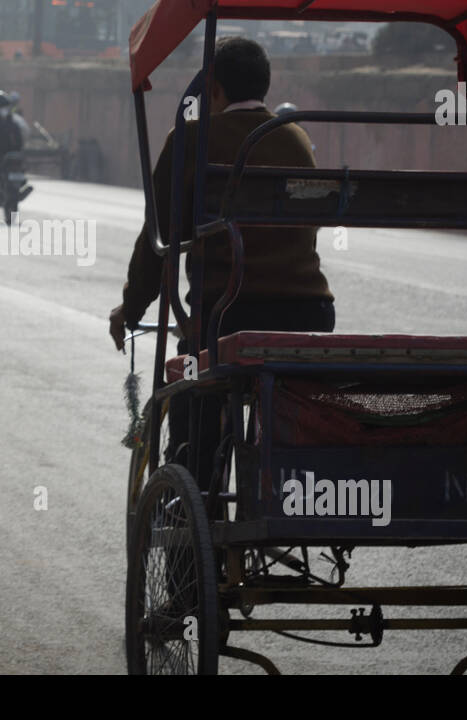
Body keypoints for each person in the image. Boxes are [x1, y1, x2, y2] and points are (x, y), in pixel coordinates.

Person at [107, 37, 335, 487]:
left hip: (224, 317)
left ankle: (188, 514)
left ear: (212, 86)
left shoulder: (191, 138)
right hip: (309, 315)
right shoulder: (296, 139)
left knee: (196, 408)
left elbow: (158, 240)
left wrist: (130, 309)